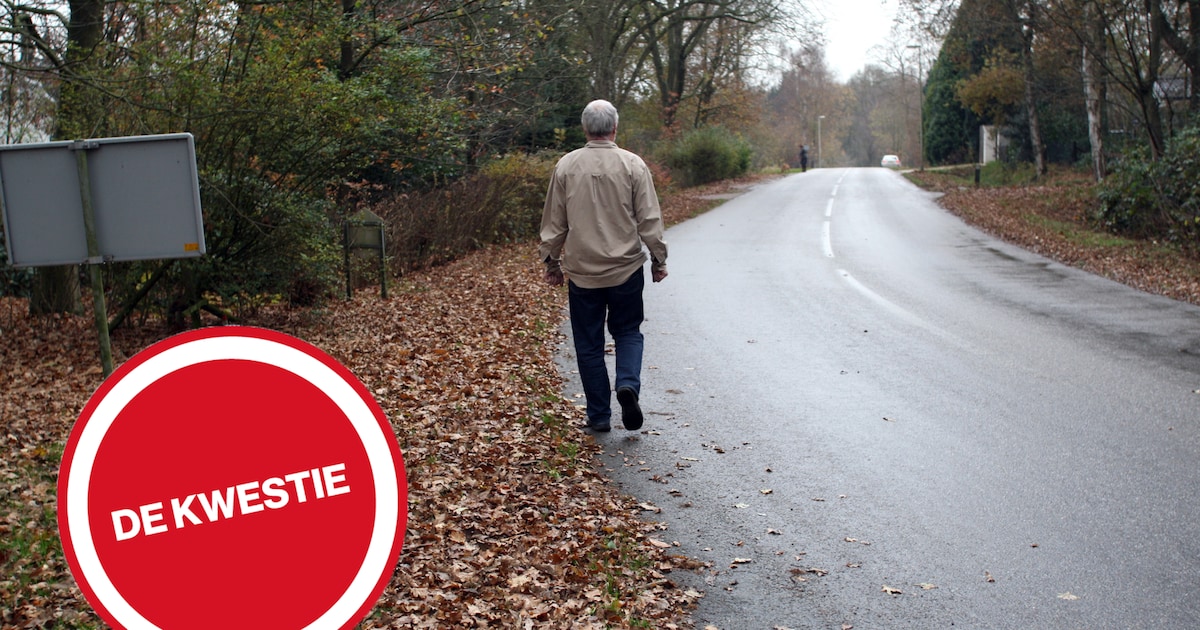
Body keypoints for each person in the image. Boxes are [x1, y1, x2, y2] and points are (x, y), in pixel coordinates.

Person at [539, 99, 668, 433]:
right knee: (627, 332)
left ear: (585, 129)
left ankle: (598, 415)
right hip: (625, 268)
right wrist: (658, 259)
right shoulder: (633, 165)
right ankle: (627, 384)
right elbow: (649, 219)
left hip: (583, 274)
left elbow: (555, 222)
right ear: (614, 128)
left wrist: (551, 261)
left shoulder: (566, 166)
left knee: (588, 343)